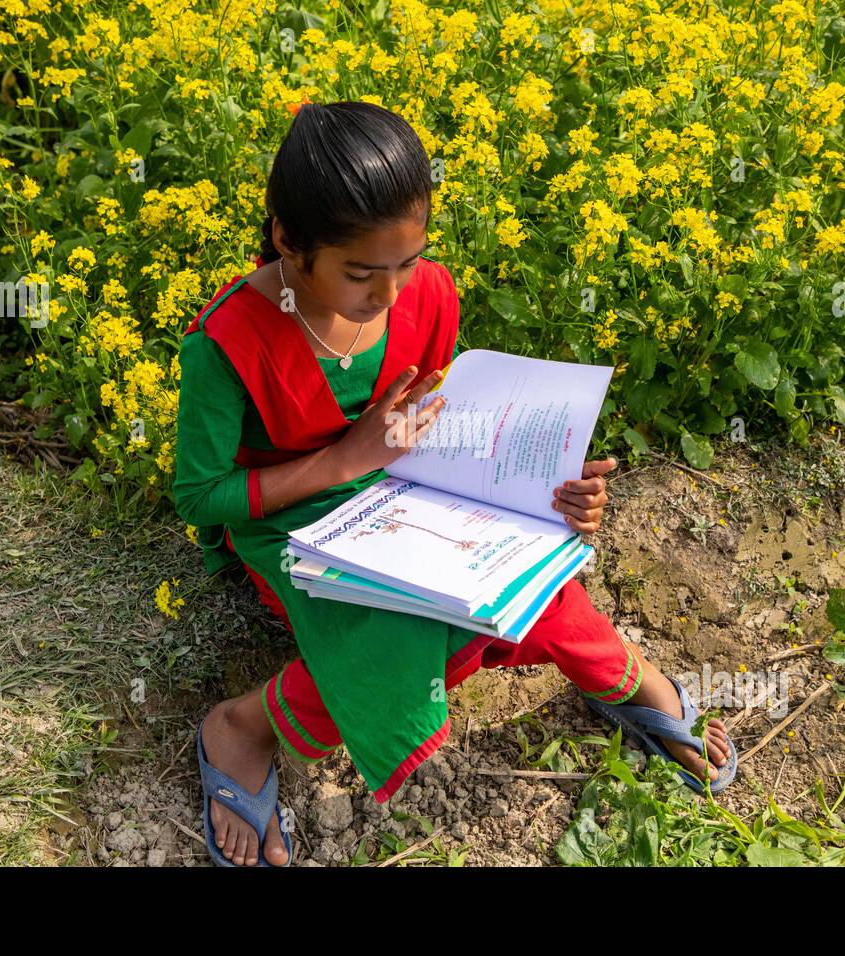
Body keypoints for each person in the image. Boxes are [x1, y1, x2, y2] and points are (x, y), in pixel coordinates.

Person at [173, 101, 736, 867]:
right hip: (295, 521)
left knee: (525, 582)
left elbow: (440, 423)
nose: (392, 294)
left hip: (407, 495)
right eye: (362, 273)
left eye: (407, 263)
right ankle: (243, 727)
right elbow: (202, 496)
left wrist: (547, 488)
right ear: (287, 241)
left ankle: (624, 676)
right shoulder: (228, 341)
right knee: (398, 632)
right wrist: (345, 461)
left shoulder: (429, 294)